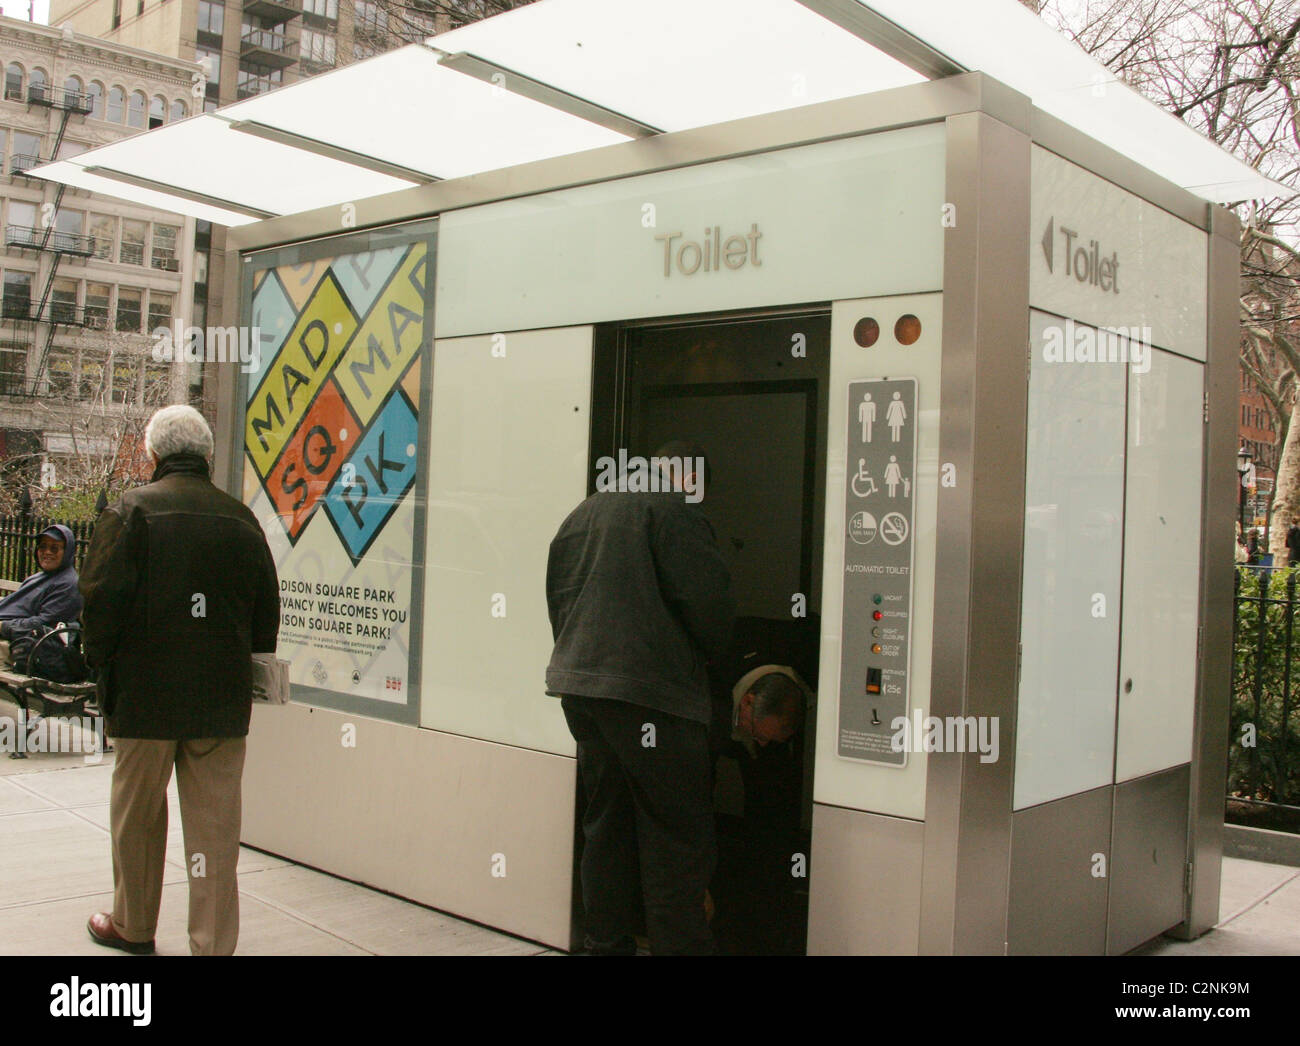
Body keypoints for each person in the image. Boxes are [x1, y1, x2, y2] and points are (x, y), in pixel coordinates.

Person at [79, 404, 280, 956]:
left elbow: (98, 602)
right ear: (207, 455)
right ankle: (212, 944)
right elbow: (266, 615)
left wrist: (102, 668)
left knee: (138, 818)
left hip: (145, 697)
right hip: (220, 698)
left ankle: (132, 925)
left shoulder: (131, 510)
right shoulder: (241, 518)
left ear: (154, 453)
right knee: (215, 831)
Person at [546, 441, 733, 955]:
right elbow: (709, 610)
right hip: (654, 698)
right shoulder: (672, 512)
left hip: (583, 690)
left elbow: (559, 600)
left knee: (606, 826)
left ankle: (605, 945)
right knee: (676, 839)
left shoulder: (582, 513)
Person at [0, 524, 82, 663]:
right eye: (42, 547)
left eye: (54, 548)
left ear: (67, 551)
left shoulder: (68, 585)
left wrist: (3, 626)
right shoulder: (39, 577)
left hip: (22, 645)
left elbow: (43, 625)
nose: (47, 552)